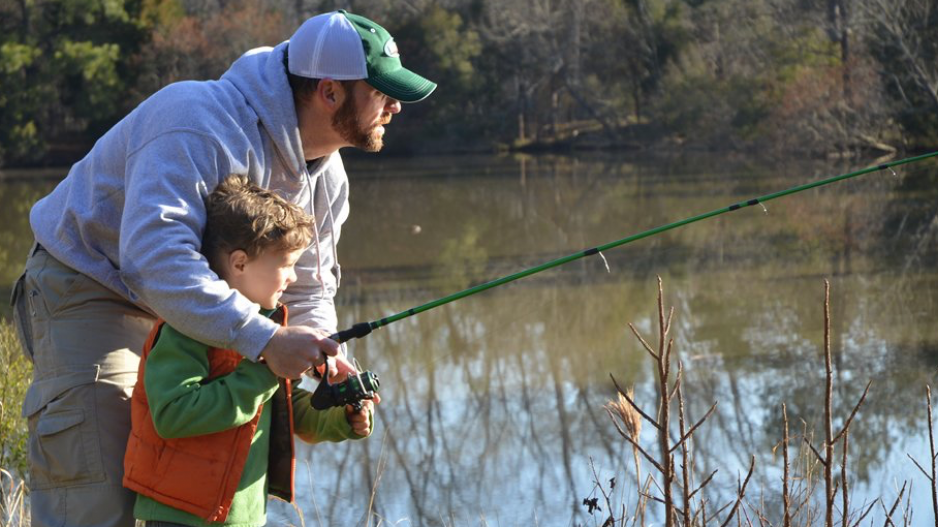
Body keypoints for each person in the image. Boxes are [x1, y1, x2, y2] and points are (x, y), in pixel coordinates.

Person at [8, 9, 434, 527]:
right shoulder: (196, 120)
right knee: (101, 495)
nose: (395, 107)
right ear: (329, 92)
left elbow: (308, 286)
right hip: (95, 287)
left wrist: (322, 355)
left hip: (197, 308)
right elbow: (156, 260)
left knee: (197, 487)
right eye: (383, 92)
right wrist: (265, 340)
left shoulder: (328, 176)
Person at [124, 176, 374, 526]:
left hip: (244, 516)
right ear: (240, 263)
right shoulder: (185, 330)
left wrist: (342, 418)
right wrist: (267, 370)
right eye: (285, 264)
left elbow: (288, 409)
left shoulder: (268, 329)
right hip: (179, 515)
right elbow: (173, 416)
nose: (292, 278)